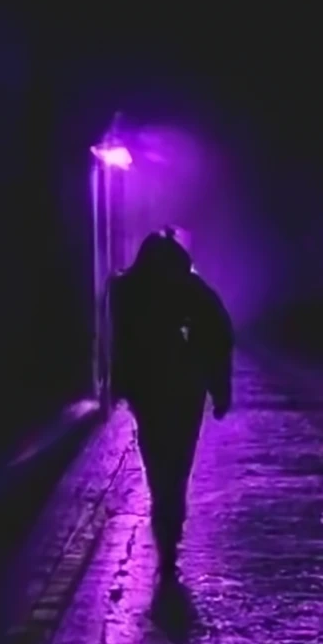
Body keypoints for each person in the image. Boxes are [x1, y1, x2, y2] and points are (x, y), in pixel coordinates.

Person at [107, 228, 233, 572]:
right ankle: (170, 520)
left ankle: (165, 516)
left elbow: (117, 340)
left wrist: (118, 383)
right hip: (183, 386)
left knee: (157, 455)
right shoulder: (189, 288)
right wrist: (219, 386)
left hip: (147, 388)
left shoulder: (126, 290)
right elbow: (220, 333)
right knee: (178, 459)